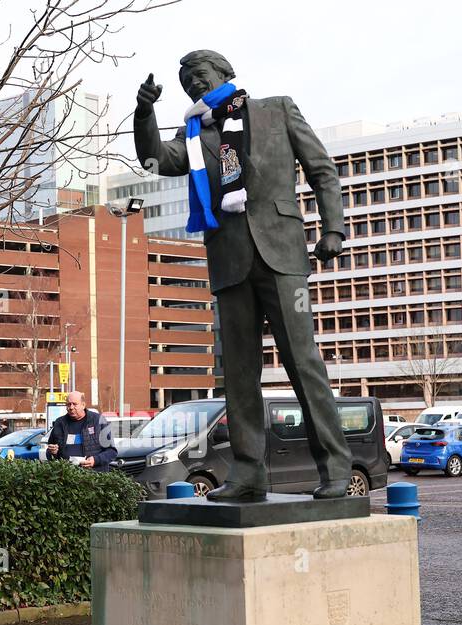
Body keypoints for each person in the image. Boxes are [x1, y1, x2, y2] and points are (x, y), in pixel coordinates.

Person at [134, 50, 353, 501]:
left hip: (282, 254)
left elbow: (322, 171)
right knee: (238, 373)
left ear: (225, 73)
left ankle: (335, 466)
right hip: (230, 261)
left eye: (200, 75)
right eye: (186, 81)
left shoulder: (277, 110)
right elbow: (154, 161)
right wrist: (144, 112)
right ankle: (248, 472)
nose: (194, 84)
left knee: (303, 362)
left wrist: (333, 227)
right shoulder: (194, 134)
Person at [45, 391, 118, 472]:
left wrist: (95, 460)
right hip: (67, 475)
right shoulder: (59, 423)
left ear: (83, 405)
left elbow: (112, 451)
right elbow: (49, 450)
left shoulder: (98, 420)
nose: (71, 407)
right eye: (68, 404)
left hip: (94, 477)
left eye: (75, 404)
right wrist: (53, 452)